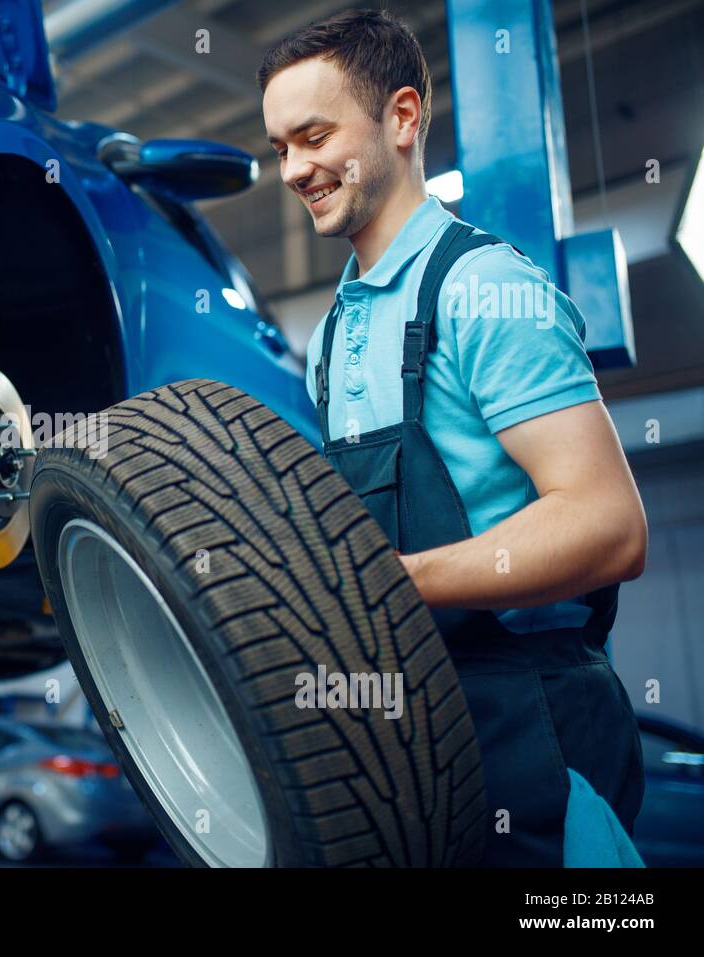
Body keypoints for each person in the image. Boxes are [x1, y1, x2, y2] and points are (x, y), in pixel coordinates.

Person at [259, 9, 647, 866]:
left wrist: (389, 584)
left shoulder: (487, 288)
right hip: (412, 731)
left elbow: (610, 524)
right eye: (280, 147)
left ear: (401, 119)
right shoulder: (331, 336)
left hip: (534, 720)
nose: (295, 168)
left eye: (315, 136)